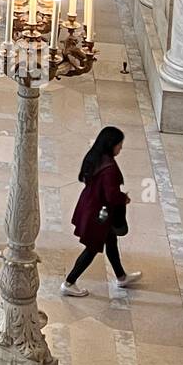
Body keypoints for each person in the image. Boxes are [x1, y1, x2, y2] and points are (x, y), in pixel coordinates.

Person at [61, 127, 141, 296]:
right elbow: (111, 196)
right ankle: (69, 282)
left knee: (111, 242)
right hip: (99, 215)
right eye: (119, 144)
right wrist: (123, 199)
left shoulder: (96, 156)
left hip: (90, 206)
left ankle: (121, 276)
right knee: (91, 248)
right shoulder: (109, 168)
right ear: (111, 145)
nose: (121, 148)